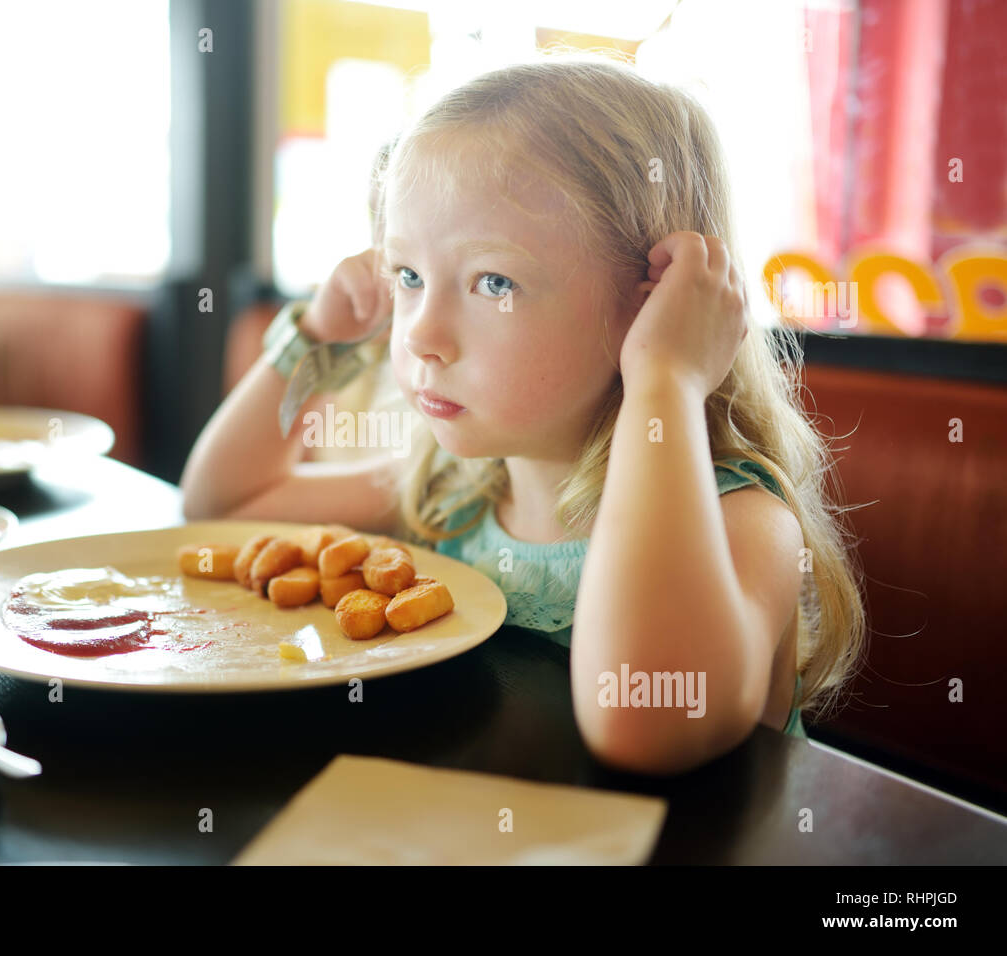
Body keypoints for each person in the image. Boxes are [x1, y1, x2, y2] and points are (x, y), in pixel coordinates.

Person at [180, 55, 865, 775]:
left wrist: (666, 379)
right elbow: (223, 506)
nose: (418, 334)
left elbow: (642, 722)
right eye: (408, 275)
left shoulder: (745, 521)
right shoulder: (453, 493)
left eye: (492, 282)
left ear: (650, 305)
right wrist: (316, 341)